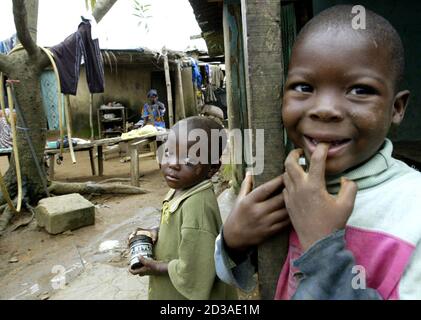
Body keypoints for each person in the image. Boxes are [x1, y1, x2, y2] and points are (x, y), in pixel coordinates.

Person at [215, 5, 421, 299]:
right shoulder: (284, 184)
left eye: (360, 91)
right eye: (303, 86)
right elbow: (244, 271)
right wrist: (234, 240)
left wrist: (322, 248)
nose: (324, 109)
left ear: (396, 109)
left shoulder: (414, 210)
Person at [129, 116, 237, 300]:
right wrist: (156, 232)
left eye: (188, 159)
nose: (173, 164)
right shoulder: (181, 189)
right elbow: (182, 229)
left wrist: (155, 267)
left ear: (211, 168)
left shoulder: (198, 205)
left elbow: (195, 270)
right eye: (169, 153)